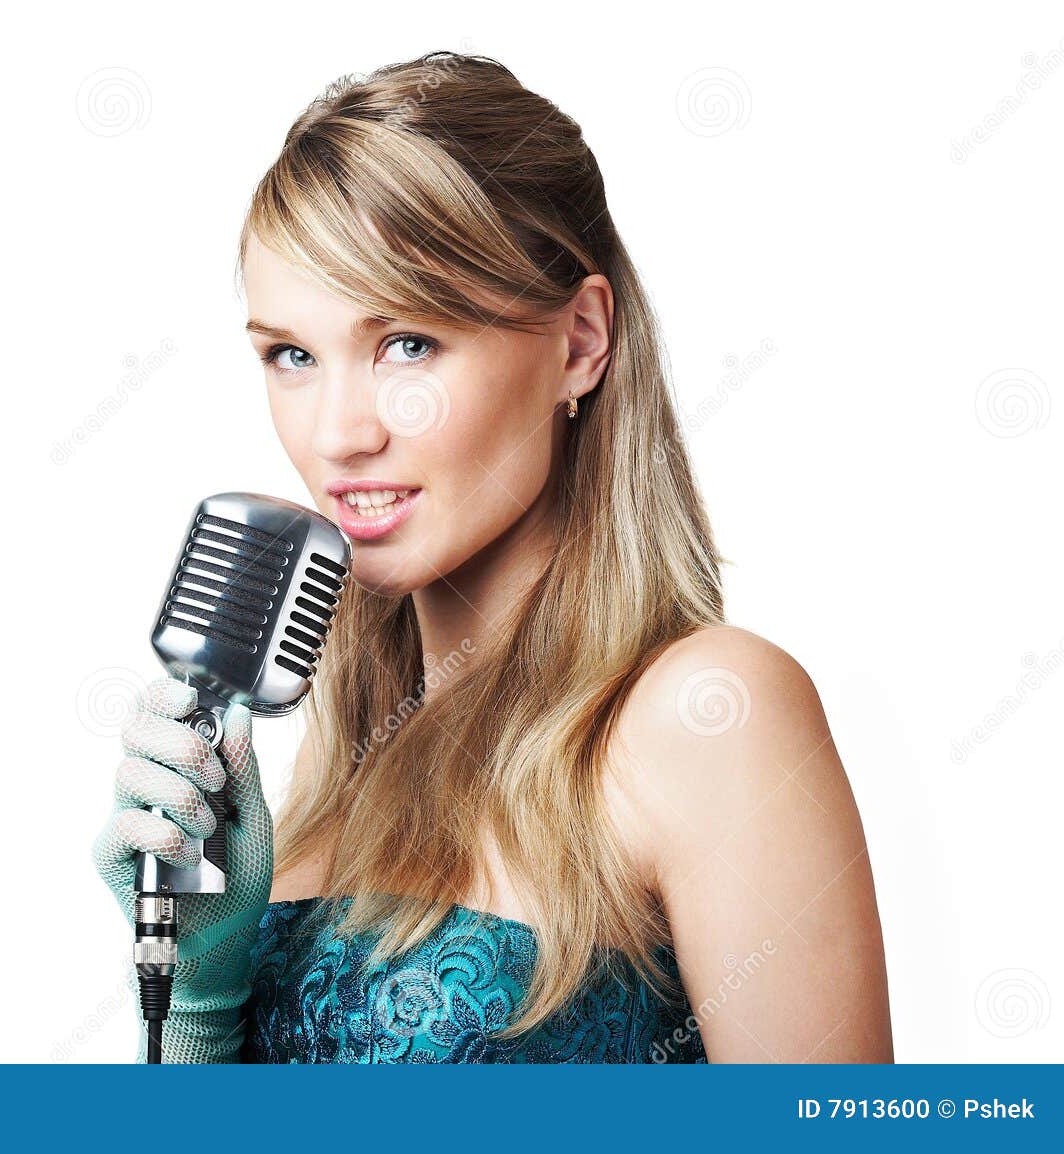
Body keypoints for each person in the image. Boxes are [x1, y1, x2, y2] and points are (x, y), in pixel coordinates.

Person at [93, 51, 892, 1063]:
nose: (338, 433)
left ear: (580, 341)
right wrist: (200, 1002)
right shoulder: (325, 787)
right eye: (292, 354)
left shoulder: (706, 716)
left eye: (407, 343)